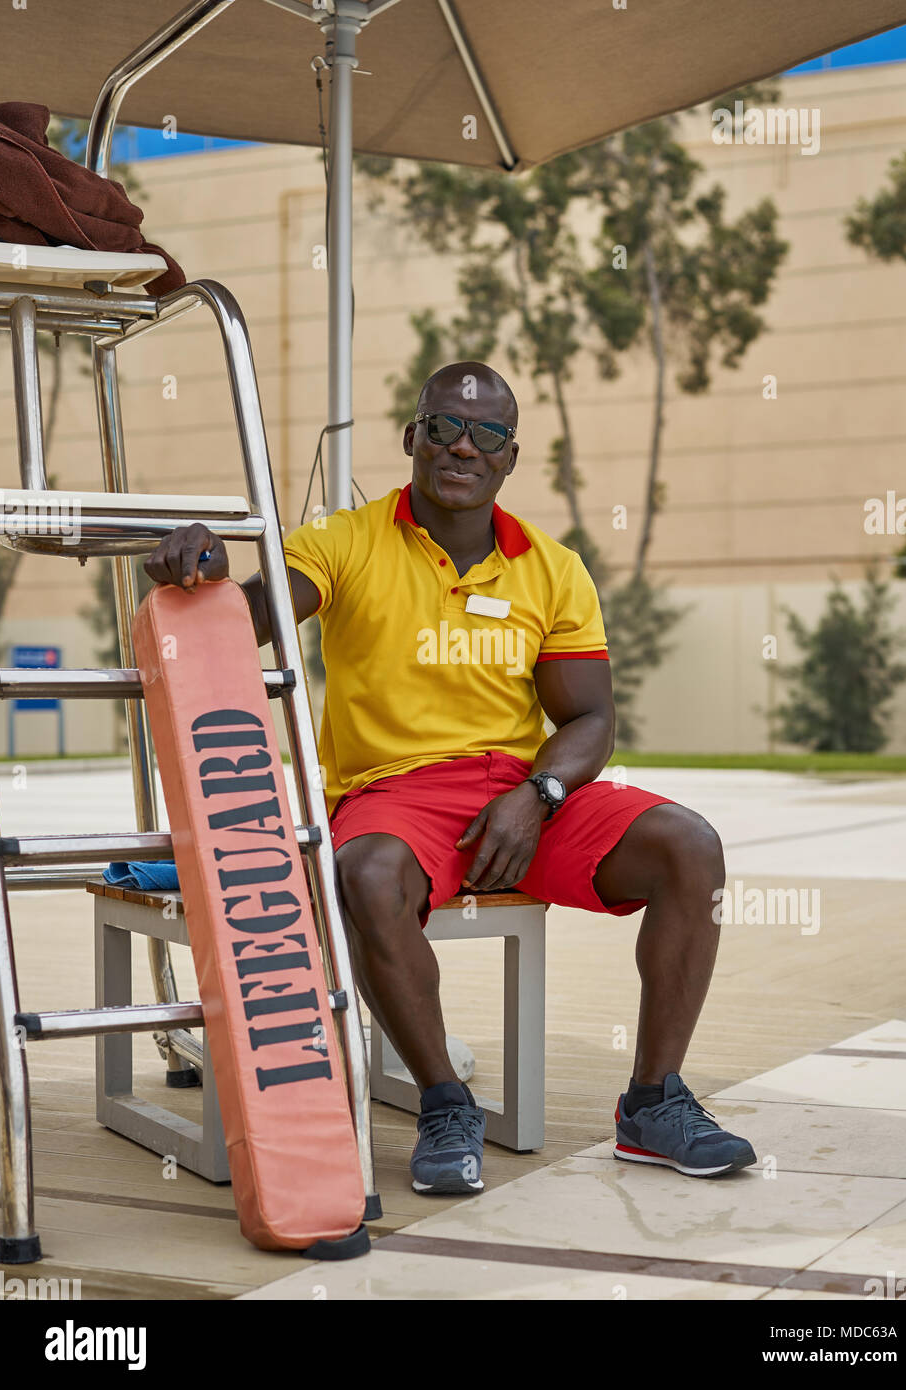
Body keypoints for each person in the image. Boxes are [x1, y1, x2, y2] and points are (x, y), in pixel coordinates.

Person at [144, 360, 756, 1196]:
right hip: (392, 793)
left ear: (509, 458)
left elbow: (590, 720)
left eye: (489, 435)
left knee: (690, 846)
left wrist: (538, 797)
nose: (464, 446)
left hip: (519, 794)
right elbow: (256, 616)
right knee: (365, 873)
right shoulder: (344, 540)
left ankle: (653, 1104)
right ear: (413, 438)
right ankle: (443, 1102)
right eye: (445, 427)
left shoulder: (552, 567)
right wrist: (205, 570)